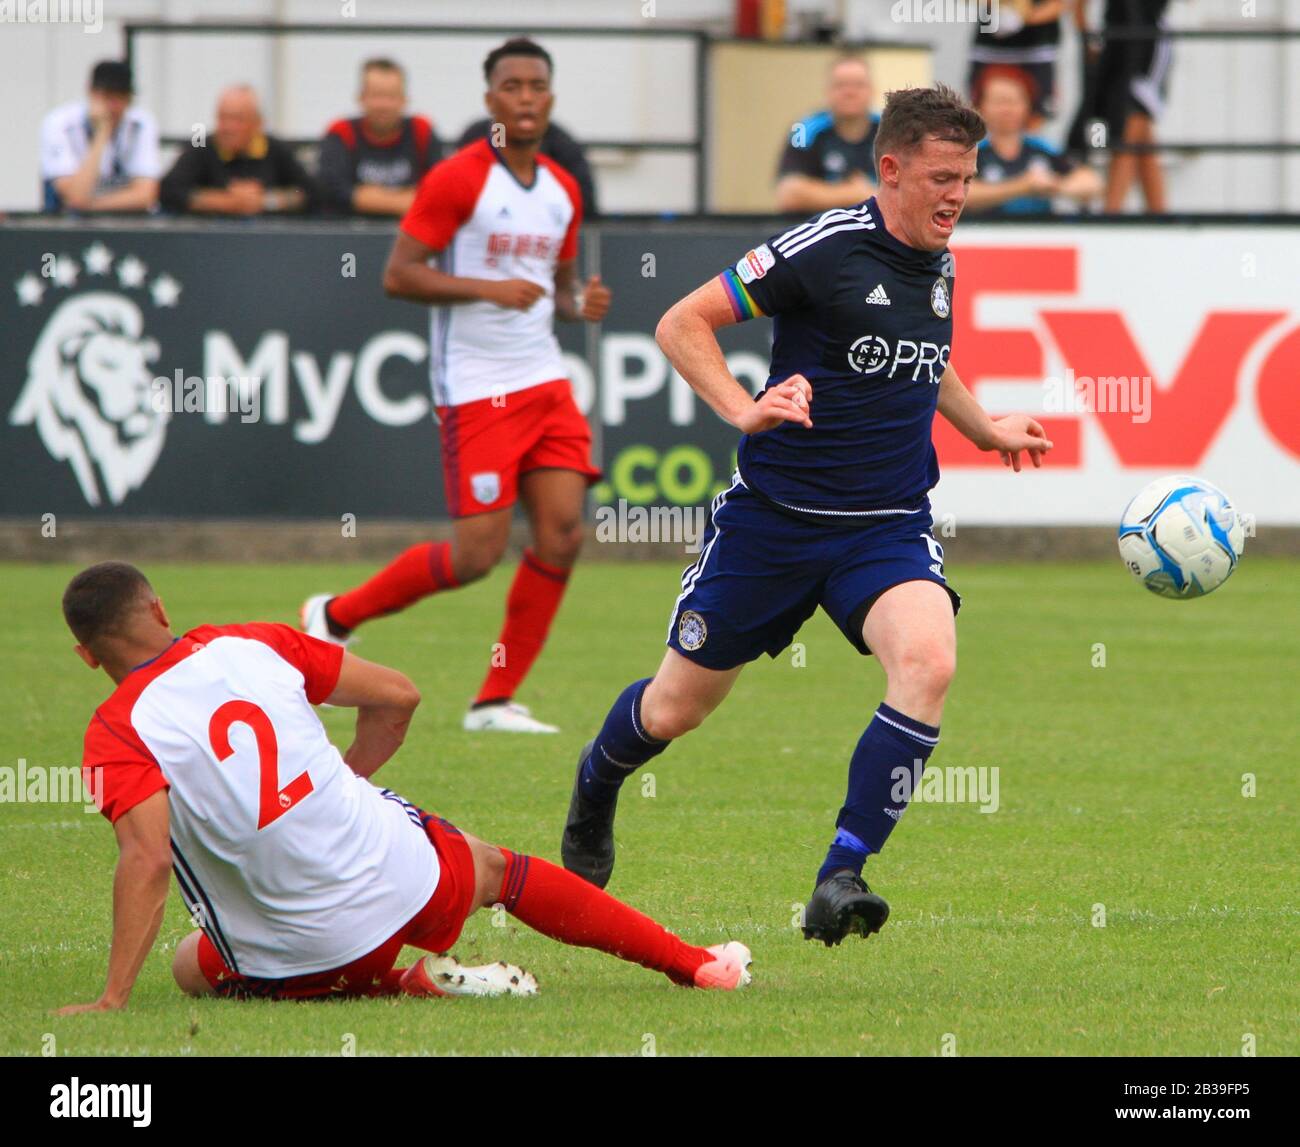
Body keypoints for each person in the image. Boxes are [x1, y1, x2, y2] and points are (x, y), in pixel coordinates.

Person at [560, 85, 1053, 947]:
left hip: (887, 526)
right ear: (890, 169)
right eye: (941, 177)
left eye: (967, 179)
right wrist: (741, 407)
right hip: (775, 524)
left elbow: (923, 358)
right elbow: (684, 324)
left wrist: (984, 427)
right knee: (675, 710)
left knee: (928, 663)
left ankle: (843, 871)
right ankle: (598, 781)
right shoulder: (823, 247)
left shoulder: (938, 256)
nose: (956, 197)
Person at [54, 561, 751, 1013]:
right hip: (409, 874)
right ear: (161, 608)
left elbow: (145, 858)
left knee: (188, 966)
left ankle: (407, 983)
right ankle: (693, 963)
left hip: (310, 955)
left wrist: (114, 998)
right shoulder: (252, 642)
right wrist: (339, 782)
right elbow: (399, 696)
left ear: (88, 655)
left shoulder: (115, 729)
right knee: (496, 867)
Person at [301, 38, 609, 735]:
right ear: (491, 99)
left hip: (543, 377)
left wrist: (575, 303)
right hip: (476, 385)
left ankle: (495, 700)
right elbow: (399, 274)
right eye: (512, 86)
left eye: (537, 86)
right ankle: (336, 615)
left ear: (550, 100)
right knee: (475, 556)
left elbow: (555, 292)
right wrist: (485, 287)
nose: (526, 97)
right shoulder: (458, 177)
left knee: (561, 533)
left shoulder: (563, 189)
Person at [1070, 0, 1172, 213]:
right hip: (1116, 40)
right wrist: (1087, 35)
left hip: (1146, 39)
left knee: (1134, 121)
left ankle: (1112, 212)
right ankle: (1159, 214)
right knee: (1137, 132)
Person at [159, 86, 318, 215]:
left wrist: (266, 201)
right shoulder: (200, 146)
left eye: (237, 119)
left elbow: (312, 193)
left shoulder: (276, 149)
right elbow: (169, 191)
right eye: (222, 118)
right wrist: (224, 202)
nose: (228, 127)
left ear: (257, 123)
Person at [966, 66, 1101, 215]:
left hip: (1041, 234)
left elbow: (1092, 184)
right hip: (988, 234)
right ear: (980, 107)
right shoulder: (973, 152)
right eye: (998, 102)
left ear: (1028, 106)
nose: (1006, 109)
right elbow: (964, 194)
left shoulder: (1043, 149)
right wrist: (1023, 186)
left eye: (1013, 101)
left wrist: (1054, 186)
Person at [318, 58, 440, 217]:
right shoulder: (342, 132)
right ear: (361, 98)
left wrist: (369, 196)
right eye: (376, 95)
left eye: (391, 96)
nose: (383, 105)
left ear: (404, 99)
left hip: (413, 234)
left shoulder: (421, 130)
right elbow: (332, 191)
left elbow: (441, 190)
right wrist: (405, 200)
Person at [40, 60, 160, 214]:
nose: (114, 106)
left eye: (121, 97)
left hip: (121, 217)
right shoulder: (60, 123)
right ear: (91, 93)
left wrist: (90, 206)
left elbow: (146, 195)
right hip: (65, 219)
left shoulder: (141, 123)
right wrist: (102, 133)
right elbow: (74, 196)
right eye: (107, 96)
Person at [775, 55, 879, 214]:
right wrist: (858, 194)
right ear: (827, 91)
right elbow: (788, 194)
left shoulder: (891, 129)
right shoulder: (803, 129)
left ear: (872, 90)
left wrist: (821, 194)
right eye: (841, 85)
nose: (850, 92)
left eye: (858, 85)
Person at [967, 0, 1069, 128]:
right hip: (991, 50)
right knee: (981, 110)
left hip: (1036, 51)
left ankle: (1029, 146)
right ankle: (987, 147)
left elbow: (1060, 5)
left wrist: (1025, 17)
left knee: (1037, 113)